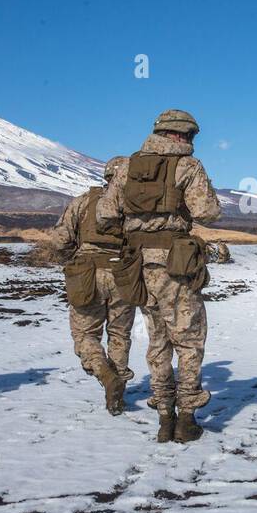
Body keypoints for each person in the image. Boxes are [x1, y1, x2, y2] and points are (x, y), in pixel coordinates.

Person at [97, 110, 222, 443]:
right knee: (190, 340)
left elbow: (105, 214)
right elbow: (208, 212)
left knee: (157, 340)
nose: (193, 144)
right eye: (192, 137)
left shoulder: (125, 167)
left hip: (139, 266)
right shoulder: (188, 167)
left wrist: (137, 228)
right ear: (178, 136)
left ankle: (165, 416)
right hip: (177, 266)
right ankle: (187, 419)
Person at [51, 156, 135, 414]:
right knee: (120, 334)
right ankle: (119, 383)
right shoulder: (136, 206)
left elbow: (59, 240)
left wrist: (72, 260)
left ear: (106, 176)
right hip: (123, 274)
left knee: (85, 334)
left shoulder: (84, 202)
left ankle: (105, 375)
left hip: (87, 274)